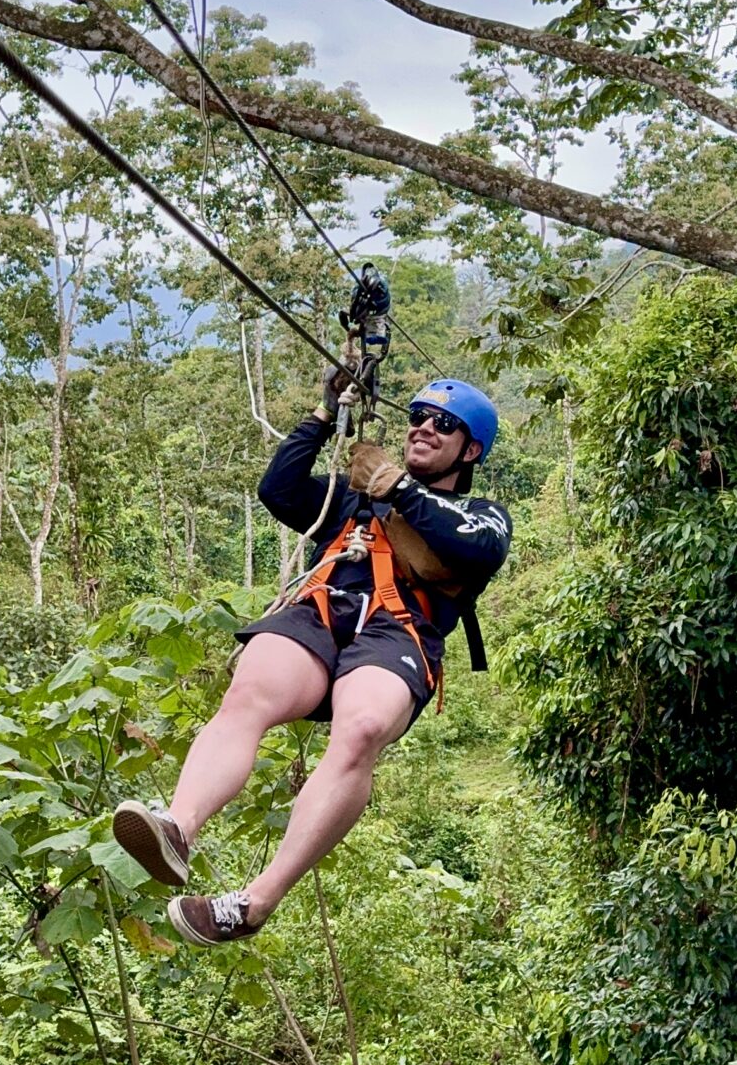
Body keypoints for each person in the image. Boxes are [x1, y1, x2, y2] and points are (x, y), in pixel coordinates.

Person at [112, 372, 512, 946]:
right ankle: (179, 827)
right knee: (252, 686)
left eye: (444, 424)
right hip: (323, 608)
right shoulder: (349, 498)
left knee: (364, 728)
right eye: (418, 417)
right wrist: (324, 415)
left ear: (469, 450)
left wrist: (399, 491)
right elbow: (279, 490)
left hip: (396, 630)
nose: (425, 428)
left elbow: (478, 546)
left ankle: (255, 901)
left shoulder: (481, 513)